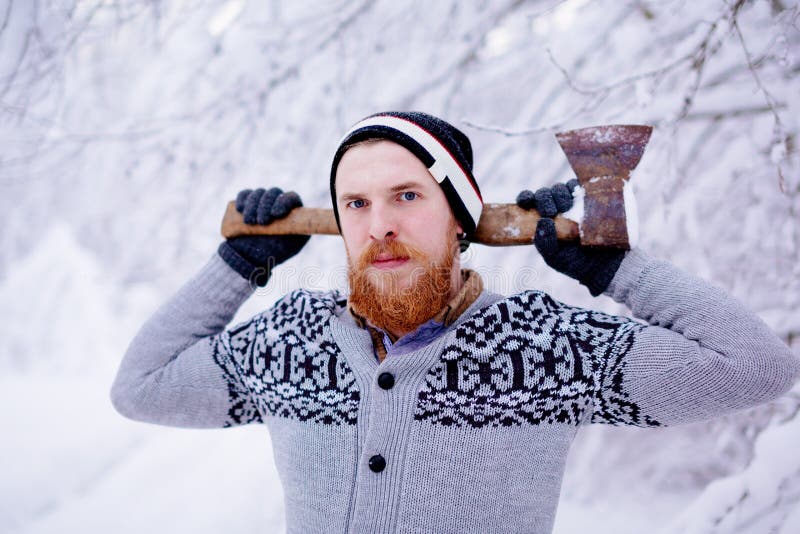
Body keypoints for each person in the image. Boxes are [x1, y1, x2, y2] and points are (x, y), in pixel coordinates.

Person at [111, 111, 800, 534]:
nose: (379, 225)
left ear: (461, 220)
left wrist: (615, 270)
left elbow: (756, 366)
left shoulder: (543, 348)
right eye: (354, 204)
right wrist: (236, 265)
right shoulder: (291, 341)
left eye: (406, 196)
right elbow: (140, 387)